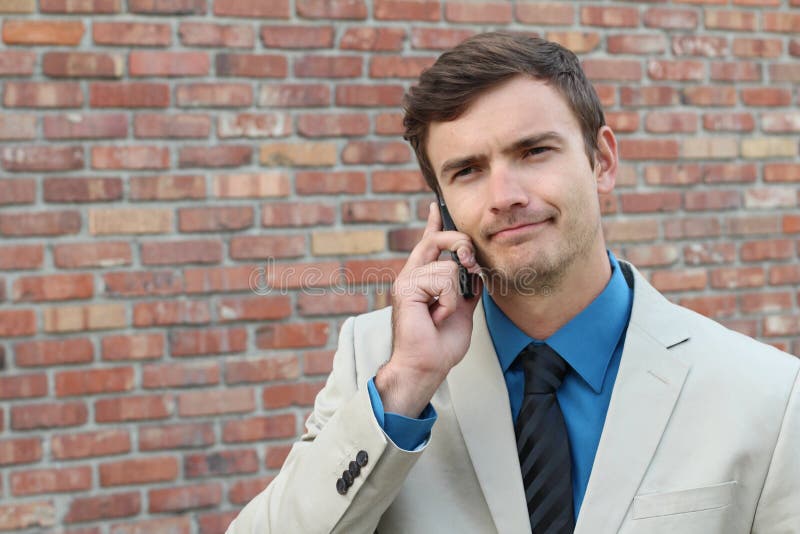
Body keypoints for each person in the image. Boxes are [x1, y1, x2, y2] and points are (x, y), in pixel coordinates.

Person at [227, 32, 799, 534]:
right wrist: (407, 385)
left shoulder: (770, 395)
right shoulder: (375, 364)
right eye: (468, 171)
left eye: (534, 151)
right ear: (442, 205)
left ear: (601, 161)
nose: (505, 197)